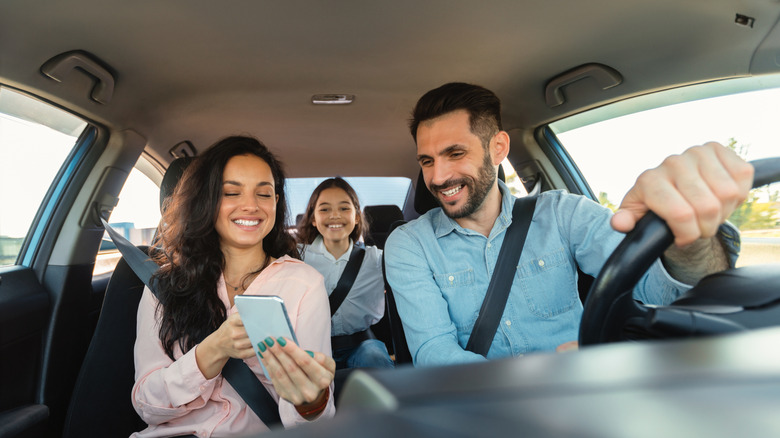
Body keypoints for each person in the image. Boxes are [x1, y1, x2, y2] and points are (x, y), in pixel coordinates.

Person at [384, 82, 752, 367]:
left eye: (455, 153)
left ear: (498, 148)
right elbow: (434, 352)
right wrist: (531, 386)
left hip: (581, 397)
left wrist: (686, 236)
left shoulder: (564, 213)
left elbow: (664, 295)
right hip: (481, 408)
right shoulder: (410, 243)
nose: (438, 176)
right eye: (427, 161)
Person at [132, 136, 335, 437]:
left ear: (276, 202)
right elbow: (146, 405)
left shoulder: (304, 284)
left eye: (264, 194)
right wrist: (214, 350)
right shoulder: (164, 284)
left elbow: (315, 424)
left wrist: (312, 402)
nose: (251, 206)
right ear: (207, 200)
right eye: (231, 192)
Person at [297, 177, 394, 369]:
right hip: (313, 346)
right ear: (313, 219)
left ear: (356, 217)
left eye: (344, 208)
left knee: (374, 357)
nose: (335, 215)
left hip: (361, 344)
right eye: (324, 209)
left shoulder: (376, 259)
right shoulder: (297, 258)